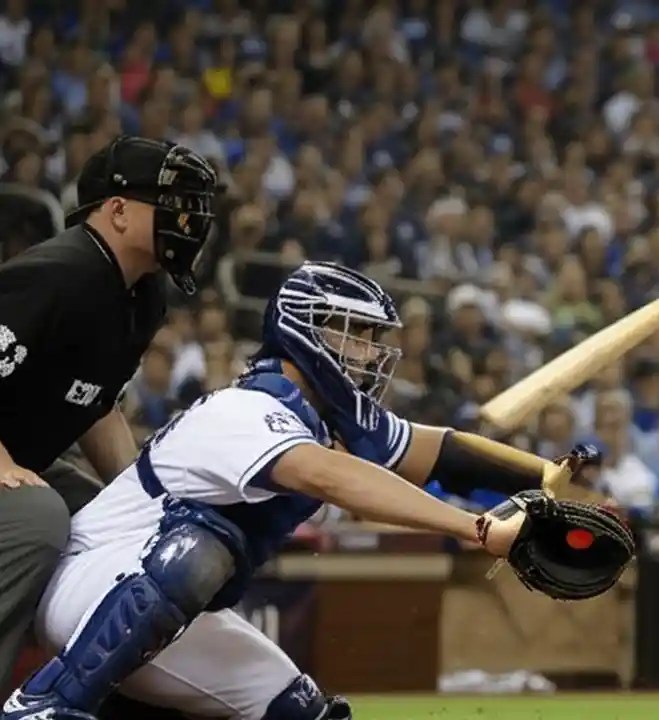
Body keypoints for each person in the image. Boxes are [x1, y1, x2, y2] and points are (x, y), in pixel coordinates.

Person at [2, 262, 598, 720]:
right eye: (355, 332)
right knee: (200, 551)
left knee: (299, 708)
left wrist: (539, 475)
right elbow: (332, 477)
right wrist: (477, 529)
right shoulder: (246, 408)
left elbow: (436, 450)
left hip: (162, 604)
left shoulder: (324, 419)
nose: (369, 351)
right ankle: (43, 705)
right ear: (304, 333)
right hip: (90, 582)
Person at [0, 136, 218, 692]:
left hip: (30, 460)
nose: (187, 218)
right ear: (117, 211)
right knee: (39, 518)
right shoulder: (57, 272)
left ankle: (107, 695)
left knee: (141, 531)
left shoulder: (142, 298)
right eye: (170, 202)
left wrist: (144, 495)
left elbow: (97, 405)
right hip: (10, 461)